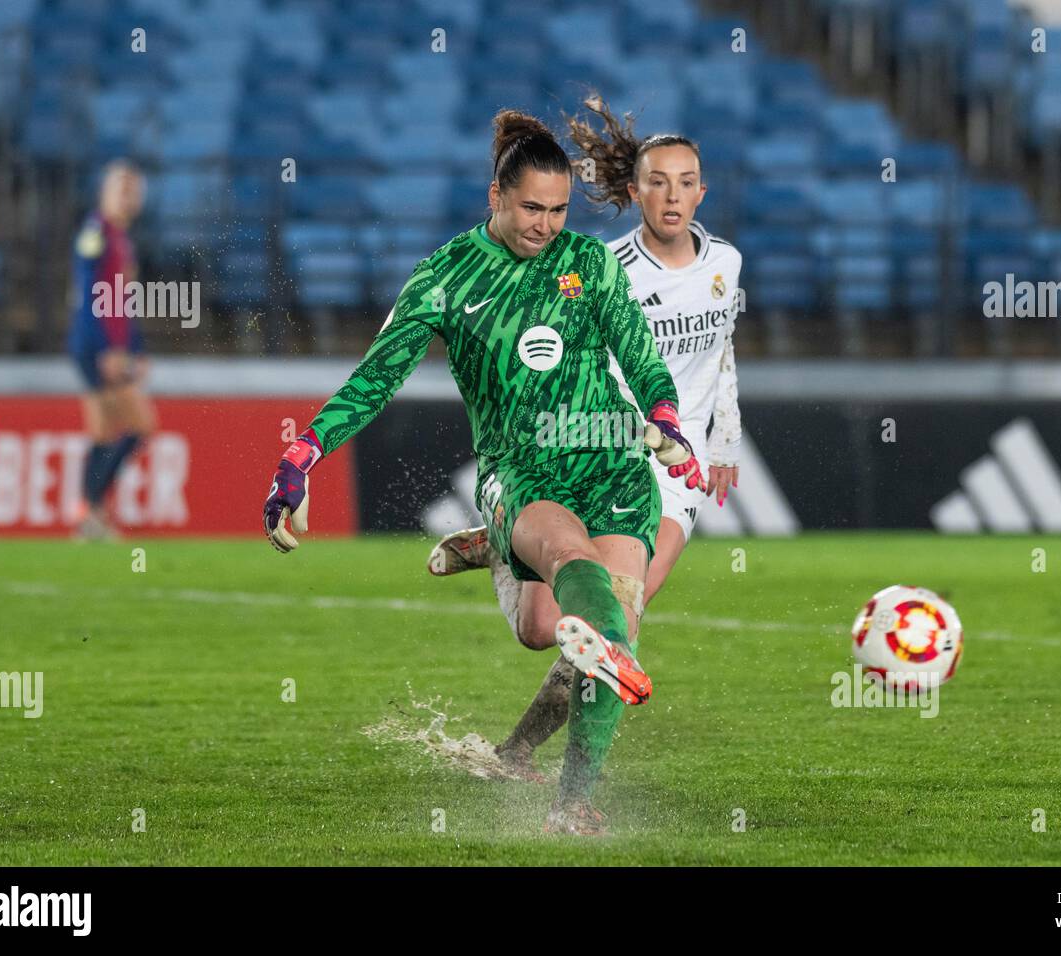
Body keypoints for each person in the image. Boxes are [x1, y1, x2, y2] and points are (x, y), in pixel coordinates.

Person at [262, 109, 705, 835]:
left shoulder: (588, 264)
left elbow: (641, 353)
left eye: (559, 210)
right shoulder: (445, 277)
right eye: (531, 207)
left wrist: (662, 416)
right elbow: (374, 379)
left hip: (615, 468)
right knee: (557, 598)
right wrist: (302, 455)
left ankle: (573, 800)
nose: (545, 225)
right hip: (523, 472)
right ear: (494, 197)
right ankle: (506, 543)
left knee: (604, 631)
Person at [428, 95, 744, 784]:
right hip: (599, 453)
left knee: (615, 629)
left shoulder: (726, 262)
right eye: (658, 181)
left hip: (670, 469)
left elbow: (722, 351)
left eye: (687, 181)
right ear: (634, 190)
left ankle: (536, 766)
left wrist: (724, 440)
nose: (673, 195)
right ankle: (505, 538)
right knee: (542, 629)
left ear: (702, 190)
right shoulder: (599, 265)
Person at [67, 159, 157, 540]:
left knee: (104, 434)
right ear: (104, 191)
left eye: (133, 191)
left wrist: (136, 348)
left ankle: (91, 515)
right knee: (140, 424)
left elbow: (124, 303)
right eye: (121, 188)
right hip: (94, 346)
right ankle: (90, 512)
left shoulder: (121, 238)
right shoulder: (96, 231)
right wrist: (107, 349)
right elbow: (90, 294)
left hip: (107, 348)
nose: (128, 197)